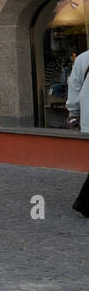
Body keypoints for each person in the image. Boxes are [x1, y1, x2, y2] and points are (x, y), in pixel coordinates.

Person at [67, 48, 89, 217]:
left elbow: (74, 87)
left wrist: (73, 113)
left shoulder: (83, 58)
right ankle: (83, 203)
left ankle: (83, 203)